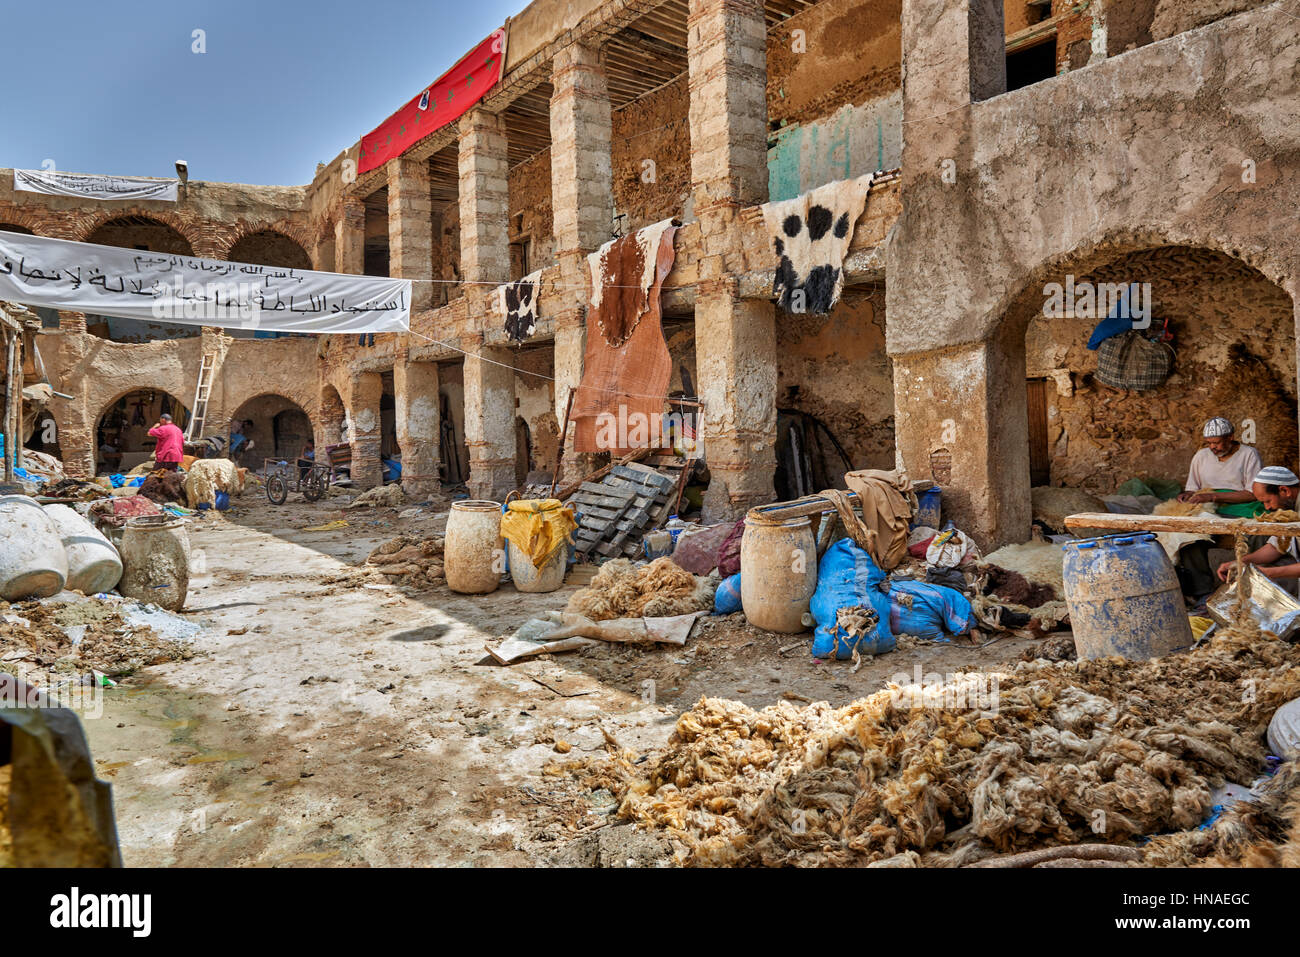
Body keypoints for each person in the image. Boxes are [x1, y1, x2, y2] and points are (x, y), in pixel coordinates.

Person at [1214, 466, 1300, 594]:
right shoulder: (1291, 512)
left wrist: (1268, 573)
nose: (1267, 507)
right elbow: (1276, 546)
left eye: (1268, 501)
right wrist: (1240, 562)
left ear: (1284, 490)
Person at [1176, 417, 1262, 517]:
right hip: (1207, 505)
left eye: (1216, 443)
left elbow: (1252, 494)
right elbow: (1192, 488)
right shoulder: (1201, 456)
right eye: (1209, 443)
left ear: (1230, 437)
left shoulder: (1249, 454)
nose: (1212, 447)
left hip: (1239, 504)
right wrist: (1187, 495)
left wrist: (1212, 496)